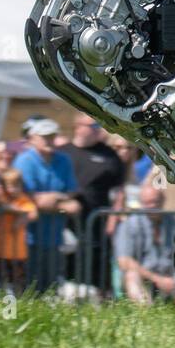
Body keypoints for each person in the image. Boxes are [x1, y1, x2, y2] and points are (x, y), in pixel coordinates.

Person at [13, 118, 79, 292]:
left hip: (54, 237)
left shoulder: (64, 160)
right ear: (33, 138)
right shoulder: (24, 160)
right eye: (44, 137)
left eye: (52, 136)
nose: (49, 140)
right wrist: (61, 203)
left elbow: (71, 192)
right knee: (28, 287)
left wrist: (53, 198)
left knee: (50, 287)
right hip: (27, 236)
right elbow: (29, 199)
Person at [61, 114, 124, 292]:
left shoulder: (109, 155)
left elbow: (119, 190)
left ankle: (99, 297)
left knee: (97, 260)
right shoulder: (63, 152)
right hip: (69, 220)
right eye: (93, 125)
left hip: (98, 221)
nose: (98, 129)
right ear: (78, 127)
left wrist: (114, 218)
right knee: (69, 259)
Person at [113, 185, 175, 303]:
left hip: (169, 278)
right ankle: (145, 315)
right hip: (143, 278)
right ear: (141, 203)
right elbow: (124, 261)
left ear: (163, 200)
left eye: (155, 201)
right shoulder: (129, 224)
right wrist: (157, 279)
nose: (152, 206)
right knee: (131, 276)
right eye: (148, 203)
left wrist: (172, 280)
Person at [0, 169, 38, 293]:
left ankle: (14, 309)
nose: (13, 190)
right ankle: (2, 308)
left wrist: (23, 218)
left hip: (18, 252)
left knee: (17, 285)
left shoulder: (24, 200)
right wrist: (17, 211)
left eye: (16, 185)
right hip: (0, 250)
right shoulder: (2, 198)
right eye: (9, 186)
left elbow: (33, 213)